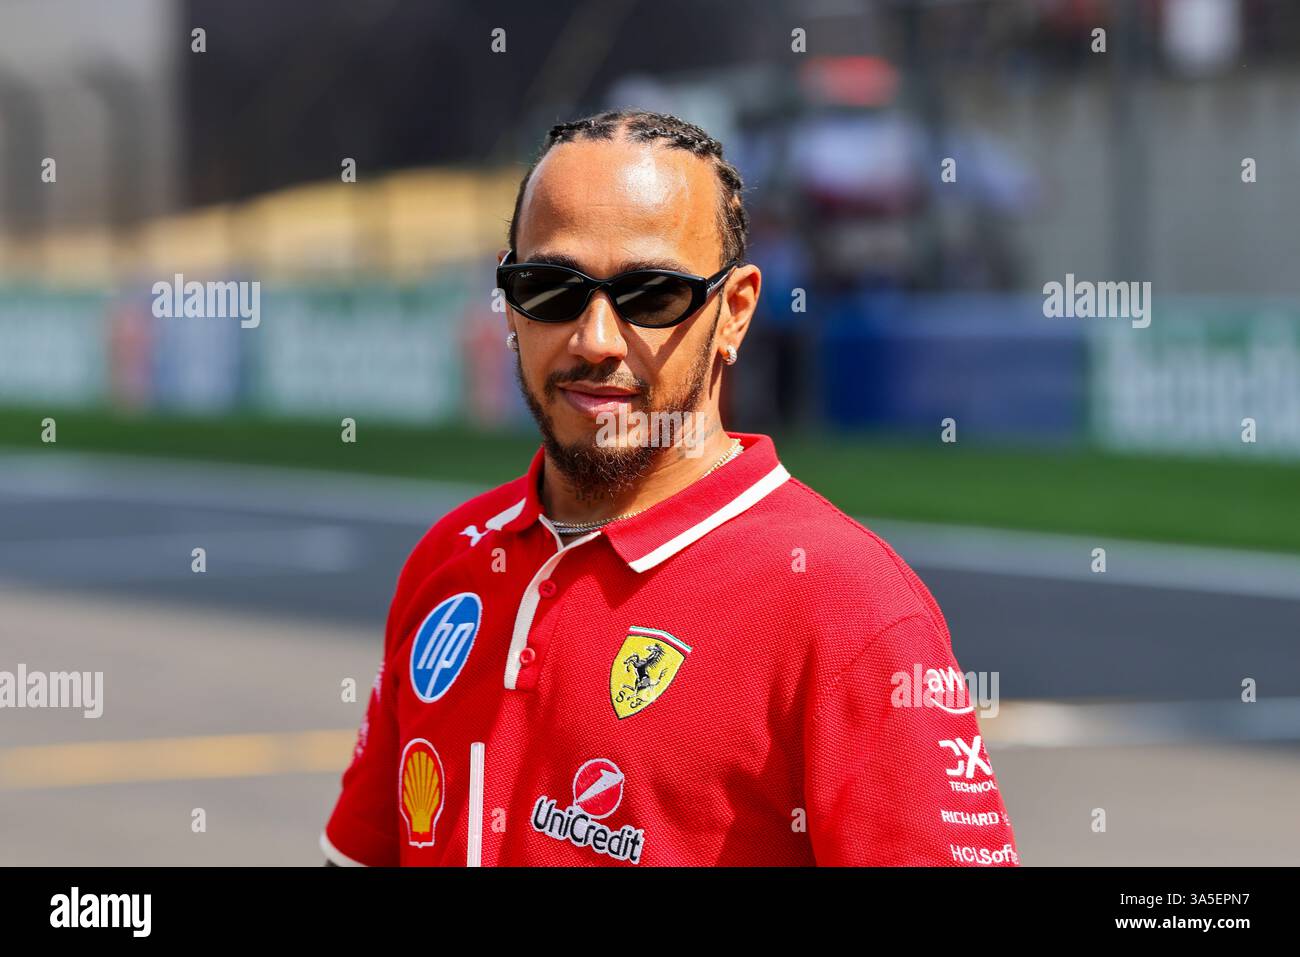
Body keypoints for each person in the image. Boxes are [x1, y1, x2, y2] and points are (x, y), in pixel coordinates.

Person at [320, 109, 1018, 866]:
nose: (594, 339)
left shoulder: (849, 609)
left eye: (650, 296)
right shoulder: (447, 561)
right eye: (551, 287)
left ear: (735, 313)